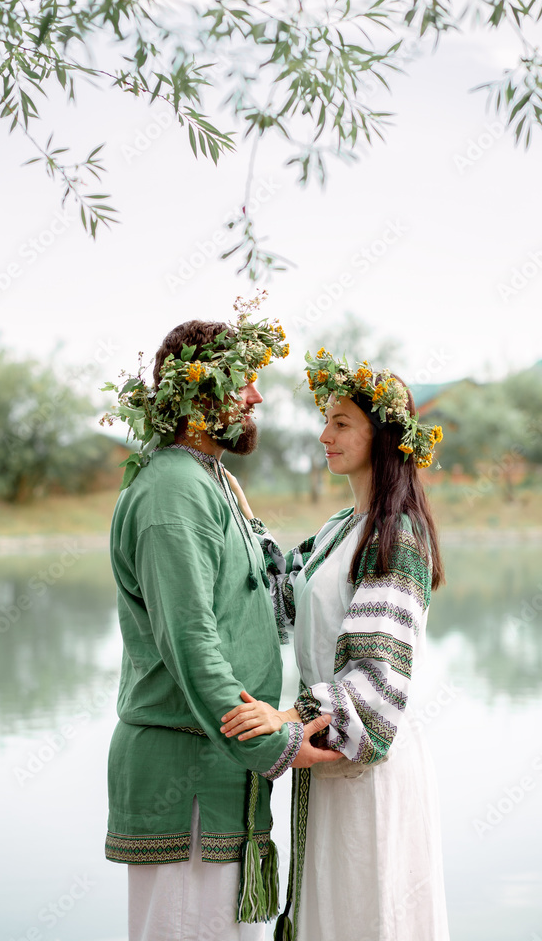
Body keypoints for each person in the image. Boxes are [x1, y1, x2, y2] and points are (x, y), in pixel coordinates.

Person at [101, 305, 339, 941]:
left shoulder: (209, 480)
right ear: (200, 396)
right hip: (188, 781)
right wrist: (276, 744)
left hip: (215, 768)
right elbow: (191, 643)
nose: (257, 396)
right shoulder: (173, 491)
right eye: (243, 384)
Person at [221, 348, 450, 941]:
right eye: (326, 420)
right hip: (324, 758)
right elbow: (279, 595)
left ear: (383, 436)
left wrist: (285, 718)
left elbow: (374, 682)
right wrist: (229, 511)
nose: (324, 434)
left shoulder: (397, 535)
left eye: (342, 422)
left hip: (367, 768)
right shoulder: (338, 530)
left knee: (367, 914)